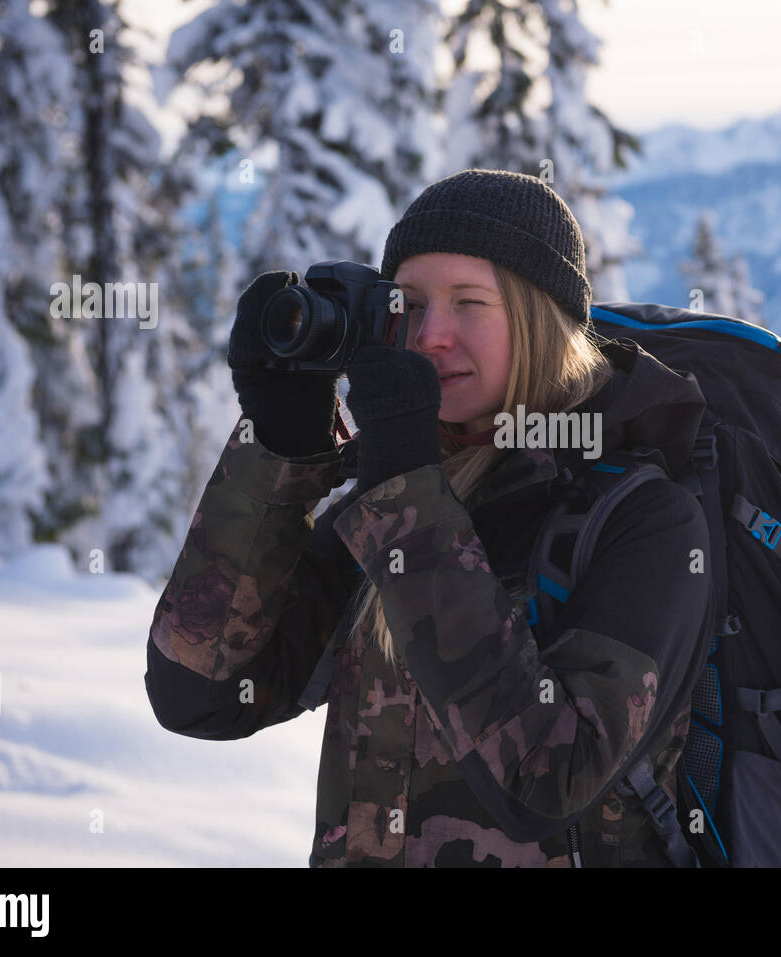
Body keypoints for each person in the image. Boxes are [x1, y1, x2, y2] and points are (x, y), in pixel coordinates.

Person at [144, 168, 714, 867]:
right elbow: (199, 693)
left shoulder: (648, 522)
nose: (432, 334)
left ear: (539, 319)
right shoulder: (386, 506)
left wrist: (407, 494)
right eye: (410, 304)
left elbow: (548, 779)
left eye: (470, 302)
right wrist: (280, 451)